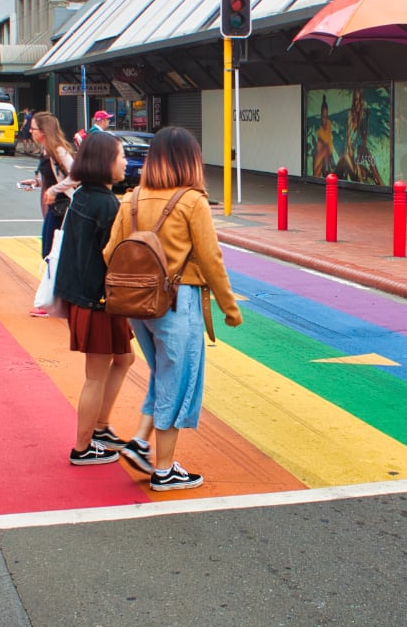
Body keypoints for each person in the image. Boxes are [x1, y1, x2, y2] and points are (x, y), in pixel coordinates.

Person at [103, 126, 243, 491]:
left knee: (164, 374)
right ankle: (164, 470)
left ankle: (140, 441)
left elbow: (110, 253)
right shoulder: (192, 202)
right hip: (179, 304)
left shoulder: (131, 199)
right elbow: (212, 260)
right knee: (179, 383)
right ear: (189, 161)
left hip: (137, 307)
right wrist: (229, 307)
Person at [53, 133, 135, 465]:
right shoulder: (106, 204)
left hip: (87, 297)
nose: (125, 161)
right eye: (121, 155)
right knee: (96, 374)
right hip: (97, 300)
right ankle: (82, 446)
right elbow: (117, 255)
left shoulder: (84, 196)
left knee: (124, 358)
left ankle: (100, 427)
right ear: (105, 162)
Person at [17, 112, 76, 315]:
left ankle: (54, 300)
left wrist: (54, 190)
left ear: (43, 131)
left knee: (52, 252)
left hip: (63, 208)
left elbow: (77, 175)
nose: (30, 131)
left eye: (33, 128)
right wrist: (36, 183)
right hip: (54, 207)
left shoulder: (58, 150)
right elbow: (53, 177)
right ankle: (57, 299)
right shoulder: (45, 151)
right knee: (50, 252)